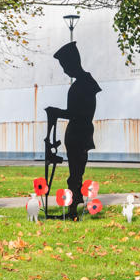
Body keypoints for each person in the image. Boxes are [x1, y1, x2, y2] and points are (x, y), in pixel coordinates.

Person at [45, 42, 101, 216]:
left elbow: (75, 113)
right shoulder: (84, 83)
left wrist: (56, 112)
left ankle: (73, 207)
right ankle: (73, 207)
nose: (64, 70)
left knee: (76, 172)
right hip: (79, 133)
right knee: (75, 171)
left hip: (79, 134)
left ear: (73, 62)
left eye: (65, 66)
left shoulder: (82, 84)